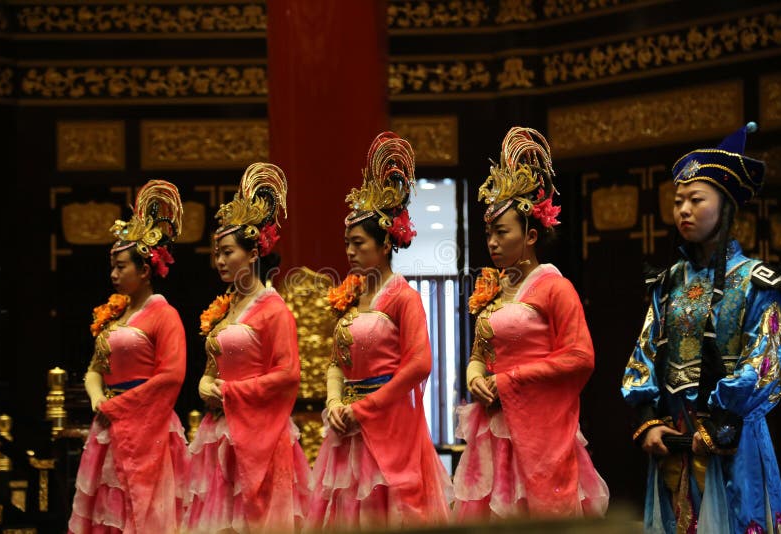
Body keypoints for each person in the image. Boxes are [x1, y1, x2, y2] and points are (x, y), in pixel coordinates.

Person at [621, 123, 781, 533]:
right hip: (673, 438)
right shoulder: (669, 282)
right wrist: (648, 418)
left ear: (726, 205)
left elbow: (765, 361)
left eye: (696, 200)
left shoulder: (755, 281)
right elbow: (644, 353)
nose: (684, 211)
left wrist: (721, 422)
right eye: (678, 202)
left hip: (733, 438)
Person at [453, 127, 609, 520]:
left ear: (531, 235)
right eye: (489, 232)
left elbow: (580, 357)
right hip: (492, 426)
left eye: (501, 232)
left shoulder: (555, 288)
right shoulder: (493, 287)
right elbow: (481, 350)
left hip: (539, 428)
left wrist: (508, 380)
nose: (491, 241)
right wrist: (474, 373)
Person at [307, 132, 452, 530]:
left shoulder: (403, 297)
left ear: (385, 244)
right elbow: (337, 362)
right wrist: (335, 401)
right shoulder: (349, 298)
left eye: (358, 243)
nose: (349, 252)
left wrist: (364, 408)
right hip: (346, 420)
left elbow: (420, 363)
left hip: (388, 421)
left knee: (384, 510)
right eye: (347, 243)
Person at [184, 163, 310, 533]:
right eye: (217, 252)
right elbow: (213, 367)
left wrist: (229, 392)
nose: (220, 260)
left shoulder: (273, 309)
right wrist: (205, 384)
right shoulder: (226, 307)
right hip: (218, 429)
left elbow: (288, 375)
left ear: (253, 253)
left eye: (227, 252)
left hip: (260, 434)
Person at [69, 180, 189, 533]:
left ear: (145, 270)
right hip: (109, 420)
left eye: (121, 266)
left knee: (143, 510)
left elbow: (171, 376)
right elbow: (95, 368)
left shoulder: (164, 314)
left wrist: (117, 406)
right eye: (112, 266)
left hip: (147, 426)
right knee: (108, 510)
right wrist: (97, 399)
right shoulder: (113, 314)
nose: (113, 275)